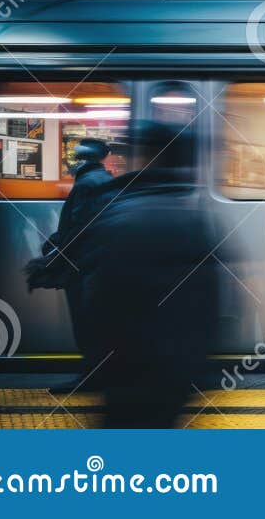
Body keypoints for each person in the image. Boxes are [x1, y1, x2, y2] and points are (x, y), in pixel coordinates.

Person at [75, 122, 220, 427]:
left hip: (127, 371)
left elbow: (97, 301)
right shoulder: (195, 221)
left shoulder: (122, 214)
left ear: (146, 157)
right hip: (175, 374)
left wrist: (100, 365)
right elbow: (210, 306)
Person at [45, 138, 115, 394]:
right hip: (97, 262)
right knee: (96, 322)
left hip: (82, 265)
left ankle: (93, 377)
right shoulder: (104, 180)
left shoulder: (86, 183)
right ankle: (100, 373)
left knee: (85, 323)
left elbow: (78, 226)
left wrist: (56, 252)